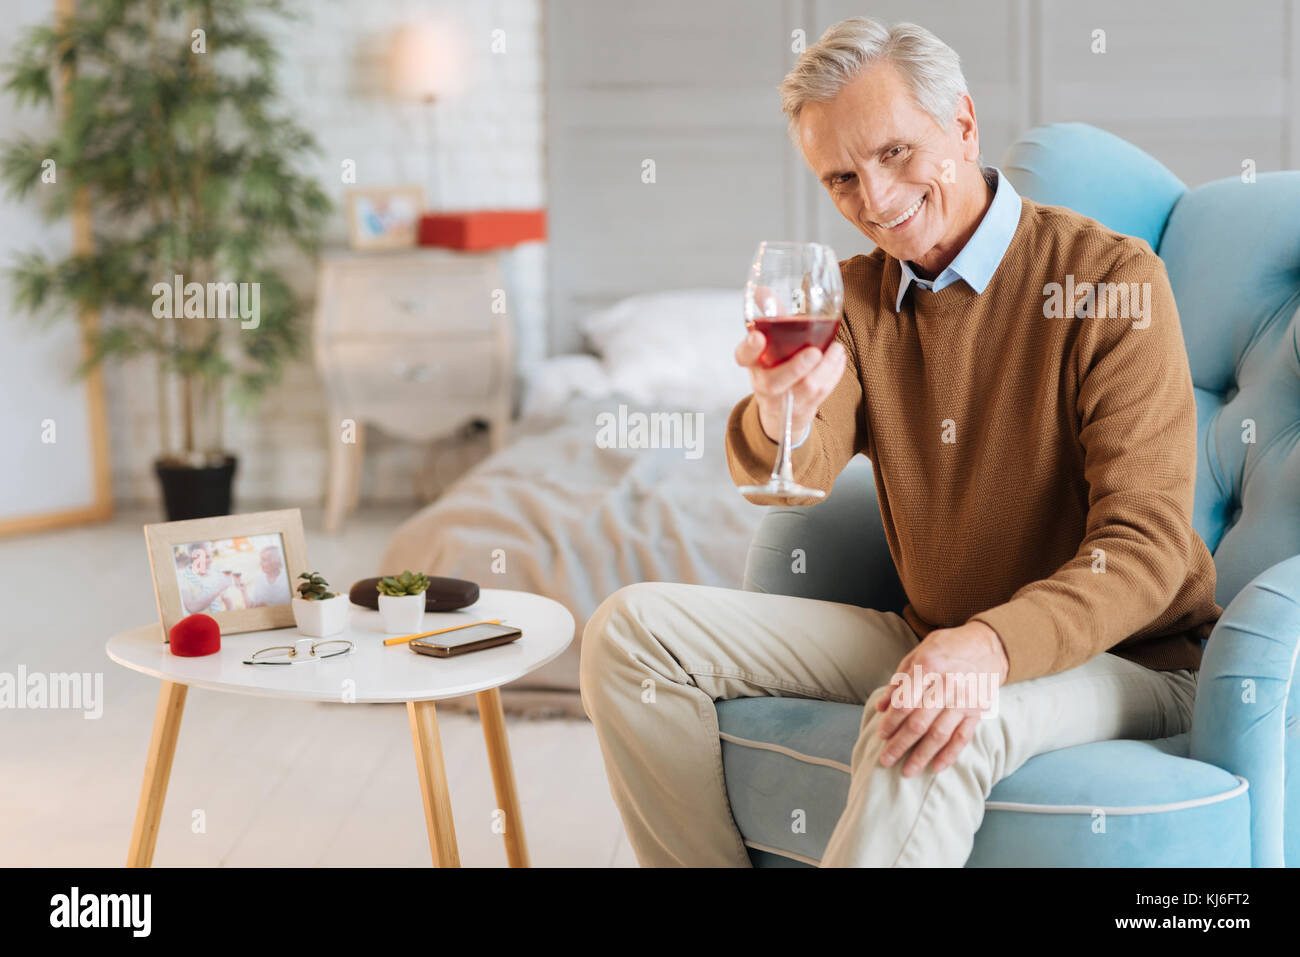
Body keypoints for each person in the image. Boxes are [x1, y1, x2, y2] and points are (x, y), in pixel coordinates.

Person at [579, 16, 1222, 867]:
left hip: (1132, 659)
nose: (874, 201)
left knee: (927, 709)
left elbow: (1142, 551)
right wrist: (783, 412)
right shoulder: (852, 300)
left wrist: (989, 645)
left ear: (961, 124)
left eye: (893, 155)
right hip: (937, 632)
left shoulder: (1108, 279)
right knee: (631, 633)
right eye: (840, 177)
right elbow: (793, 481)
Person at [178, 542, 232, 615]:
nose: (210, 561)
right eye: (206, 557)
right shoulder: (184, 579)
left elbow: (230, 607)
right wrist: (218, 588)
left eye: (210, 556)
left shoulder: (217, 575)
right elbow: (191, 607)